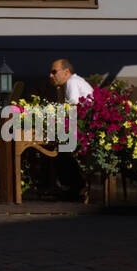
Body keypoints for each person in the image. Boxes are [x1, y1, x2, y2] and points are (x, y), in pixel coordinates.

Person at [47, 58, 92, 198]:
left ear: (66, 72)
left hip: (87, 129)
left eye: (54, 72)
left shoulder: (72, 82)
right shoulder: (69, 83)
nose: (50, 75)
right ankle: (69, 186)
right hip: (81, 127)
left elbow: (71, 108)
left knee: (58, 147)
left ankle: (73, 187)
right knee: (56, 145)